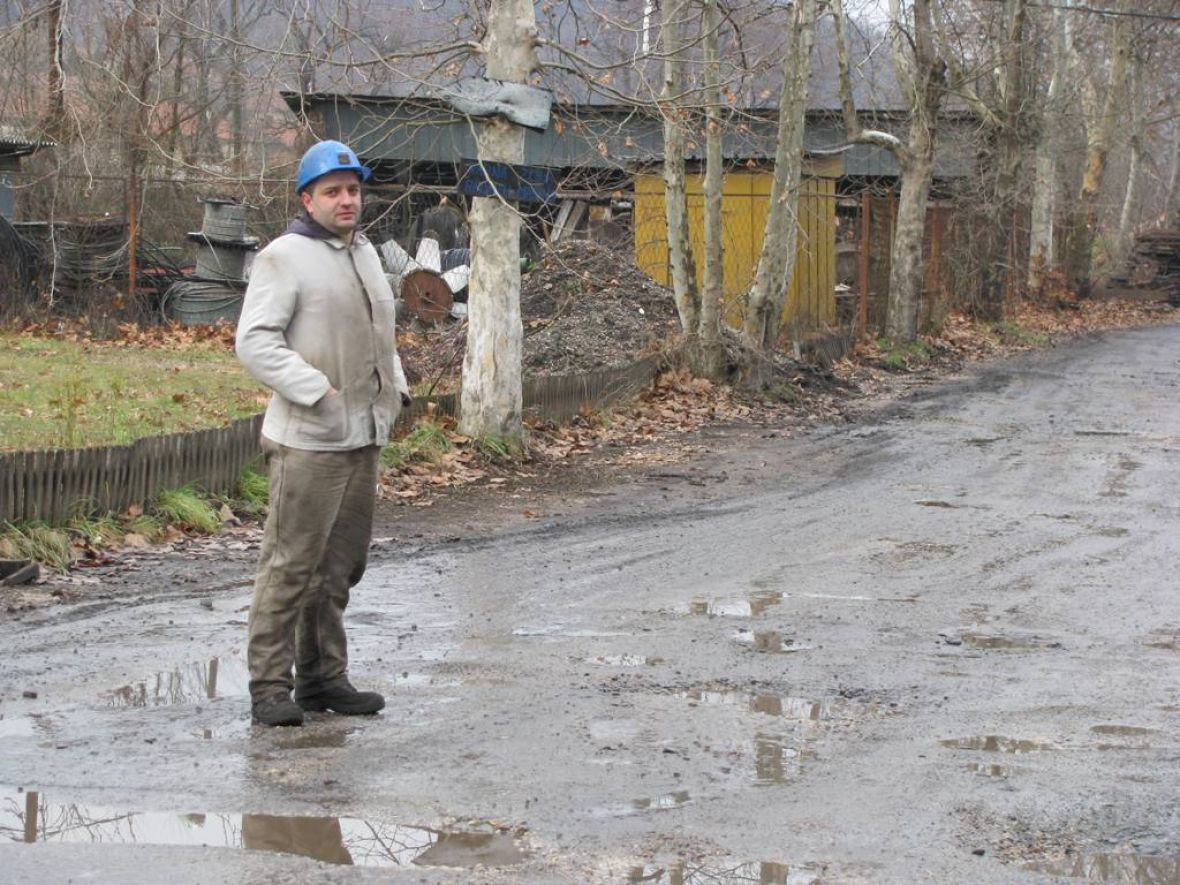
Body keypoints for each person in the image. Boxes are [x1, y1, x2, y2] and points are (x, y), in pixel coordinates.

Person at [235, 139, 411, 727]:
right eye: (333, 191)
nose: (346, 200)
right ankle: (268, 687)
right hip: (308, 438)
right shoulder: (284, 256)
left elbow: (380, 333)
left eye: (353, 190)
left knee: (339, 569)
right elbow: (255, 340)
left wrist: (397, 389)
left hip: (362, 435)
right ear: (307, 199)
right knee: (290, 566)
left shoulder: (364, 254)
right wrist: (313, 387)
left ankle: (322, 678)